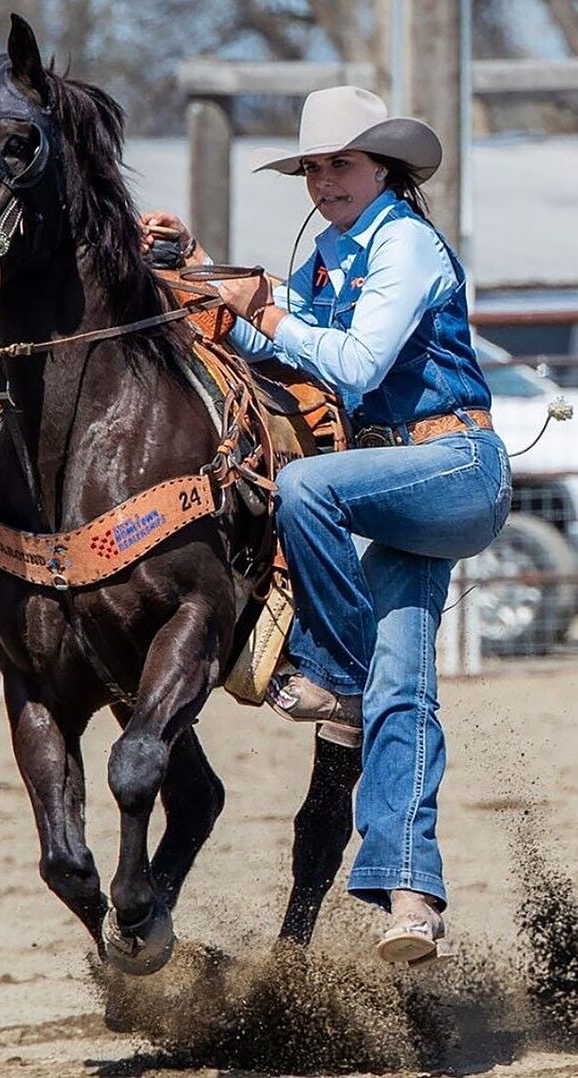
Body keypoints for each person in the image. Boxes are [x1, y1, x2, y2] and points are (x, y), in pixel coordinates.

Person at [140, 85, 511, 965]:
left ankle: (328, 672)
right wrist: (197, 271)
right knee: (404, 686)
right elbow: (277, 341)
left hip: (457, 468)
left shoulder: (408, 245)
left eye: (340, 162)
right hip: (393, 488)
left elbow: (353, 360)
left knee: (305, 489)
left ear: (384, 166)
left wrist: (260, 304)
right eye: (311, 167)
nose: (323, 180)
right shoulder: (331, 259)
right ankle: (413, 898)